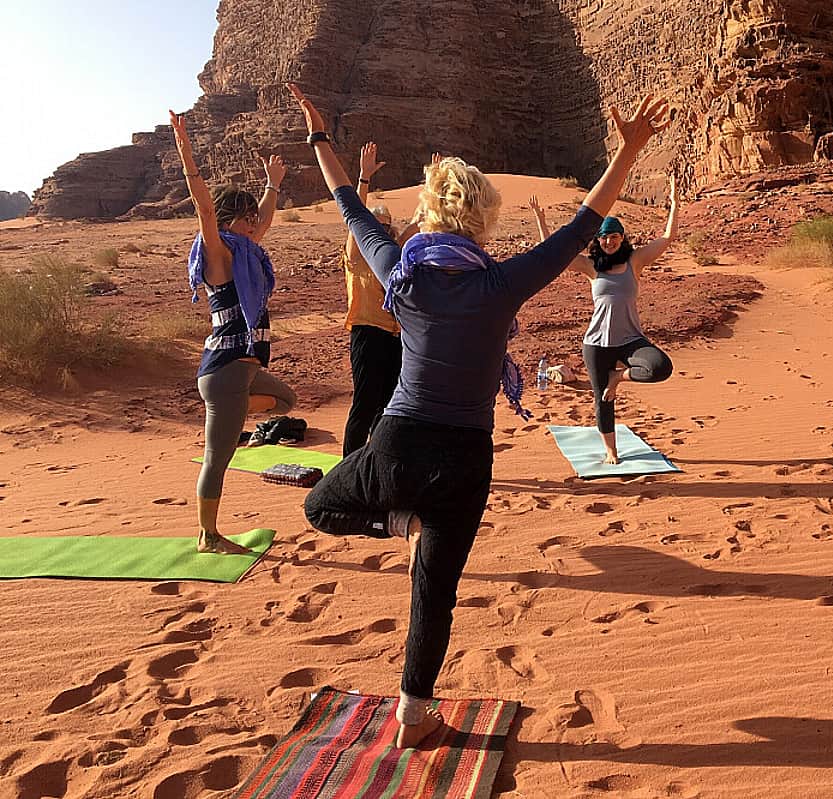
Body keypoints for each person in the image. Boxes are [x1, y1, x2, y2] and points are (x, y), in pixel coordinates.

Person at [288, 83, 669, 748]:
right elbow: (585, 221)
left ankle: (398, 524)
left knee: (321, 507)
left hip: (399, 442)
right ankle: (414, 709)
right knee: (434, 588)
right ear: (485, 217)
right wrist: (630, 150)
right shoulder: (502, 281)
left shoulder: (400, 274)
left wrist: (321, 136)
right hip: (468, 457)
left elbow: (349, 207)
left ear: (431, 208)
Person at [170, 110, 297, 554]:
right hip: (224, 373)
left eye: (250, 218)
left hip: (243, 373)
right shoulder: (220, 254)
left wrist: (272, 184)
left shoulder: (247, 249)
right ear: (227, 221)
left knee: (286, 401)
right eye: (242, 218)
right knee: (217, 459)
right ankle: (208, 535)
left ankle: (232, 416)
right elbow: (204, 206)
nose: (252, 224)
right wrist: (187, 153)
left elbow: (262, 222)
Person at [529, 175, 677, 464]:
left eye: (615, 236)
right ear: (598, 240)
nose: (609, 241)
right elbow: (552, 254)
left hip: (631, 340)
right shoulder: (590, 266)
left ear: (622, 238)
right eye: (604, 237)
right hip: (597, 343)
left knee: (661, 367)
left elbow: (667, 238)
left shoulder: (635, 260)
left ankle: (617, 376)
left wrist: (674, 206)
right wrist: (540, 220)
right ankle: (611, 451)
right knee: (603, 399)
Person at [339, 142, 420, 456]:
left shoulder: (392, 255)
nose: (383, 231)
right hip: (367, 333)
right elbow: (354, 216)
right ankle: (349, 467)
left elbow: (415, 225)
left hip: (394, 337)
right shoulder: (357, 254)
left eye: (387, 227)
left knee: (389, 404)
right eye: (377, 227)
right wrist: (363, 179)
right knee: (365, 403)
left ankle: (378, 463)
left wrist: (434, 184)